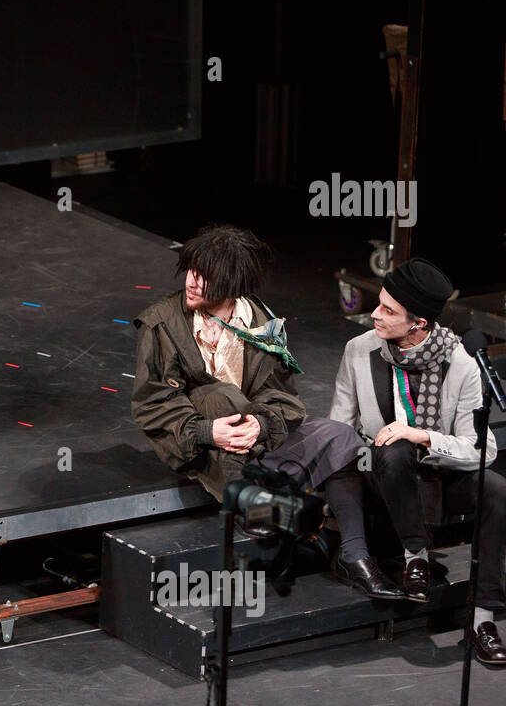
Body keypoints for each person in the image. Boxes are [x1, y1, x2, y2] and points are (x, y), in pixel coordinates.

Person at [130, 223, 364, 554]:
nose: (192, 281)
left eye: (205, 275)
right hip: (196, 439)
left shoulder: (261, 324)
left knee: (341, 436)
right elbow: (153, 402)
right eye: (191, 270)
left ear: (233, 284)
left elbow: (282, 394)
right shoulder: (162, 324)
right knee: (221, 396)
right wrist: (208, 432)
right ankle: (265, 503)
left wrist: (262, 424)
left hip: (252, 433)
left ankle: (355, 553)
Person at [329, 258, 506, 665]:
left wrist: (423, 436)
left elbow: (484, 449)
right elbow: (338, 429)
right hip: (386, 479)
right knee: (393, 451)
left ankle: (482, 619)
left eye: (389, 311)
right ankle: (417, 558)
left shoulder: (462, 365)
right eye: (379, 303)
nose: (374, 314)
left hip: (440, 475)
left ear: (419, 324)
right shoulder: (359, 351)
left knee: (496, 489)